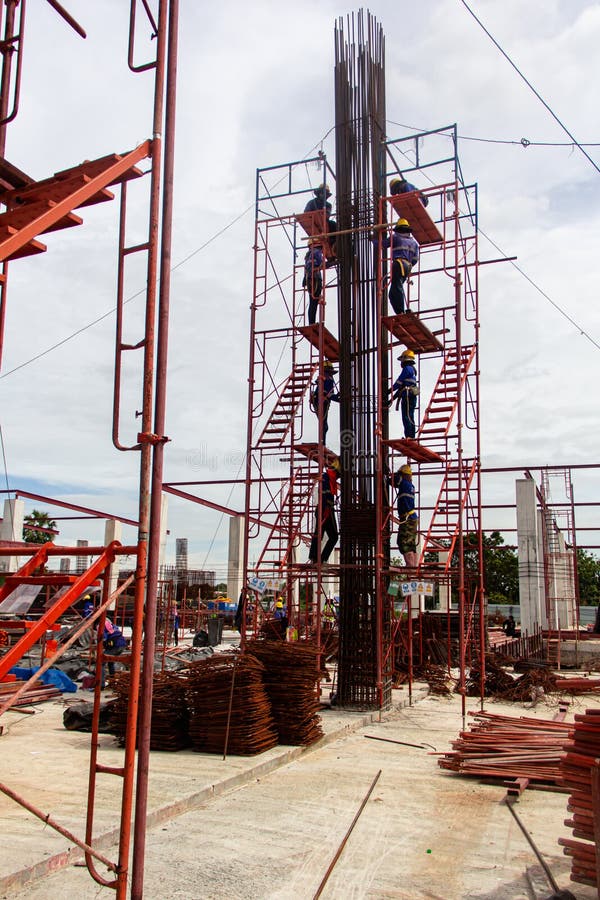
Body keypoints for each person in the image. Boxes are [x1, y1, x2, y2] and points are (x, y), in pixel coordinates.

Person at [380, 218, 419, 314]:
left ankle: (401, 311)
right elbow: (415, 260)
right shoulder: (414, 243)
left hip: (398, 264)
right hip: (408, 267)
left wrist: (373, 240)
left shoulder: (396, 238)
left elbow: (383, 244)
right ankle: (399, 312)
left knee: (397, 287)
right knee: (392, 293)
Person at [308, 457, 341, 565]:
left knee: (319, 533)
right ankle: (321, 559)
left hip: (323, 509)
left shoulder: (327, 477)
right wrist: (327, 508)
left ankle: (315, 558)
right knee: (333, 536)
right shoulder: (327, 478)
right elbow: (325, 494)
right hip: (326, 509)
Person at [391, 464, 419, 568]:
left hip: (407, 518)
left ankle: (410, 568)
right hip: (412, 517)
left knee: (404, 543)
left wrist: (394, 474)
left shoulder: (403, 483)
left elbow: (393, 480)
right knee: (411, 544)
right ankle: (413, 568)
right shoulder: (410, 485)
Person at [391, 349, 418, 439]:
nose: (401, 363)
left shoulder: (407, 369)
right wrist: (391, 399)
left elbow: (399, 383)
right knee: (410, 416)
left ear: (405, 359)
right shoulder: (412, 370)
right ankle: (411, 436)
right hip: (409, 395)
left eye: (402, 360)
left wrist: (390, 390)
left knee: (407, 416)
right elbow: (401, 388)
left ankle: (409, 436)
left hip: (408, 395)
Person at [310, 361, 340, 443]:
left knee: (324, 425)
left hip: (321, 402)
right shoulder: (326, 379)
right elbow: (327, 394)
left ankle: (322, 443)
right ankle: (322, 443)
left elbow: (328, 393)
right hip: (321, 403)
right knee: (324, 425)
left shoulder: (323, 379)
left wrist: (336, 396)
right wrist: (338, 399)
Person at [304, 183, 337, 255]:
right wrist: (315, 215)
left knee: (334, 225)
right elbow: (306, 213)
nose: (323, 195)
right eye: (322, 193)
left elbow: (327, 215)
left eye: (325, 194)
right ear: (319, 193)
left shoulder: (328, 205)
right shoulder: (312, 202)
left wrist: (320, 214)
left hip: (324, 223)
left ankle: (333, 244)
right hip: (313, 221)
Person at [302, 242, 324, 324]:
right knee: (314, 302)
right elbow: (322, 264)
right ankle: (312, 323)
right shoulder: (317, 252)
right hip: (316, 278)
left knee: (312, 302)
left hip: (309, 279)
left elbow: (306, 268)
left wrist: (304, 279)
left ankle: (311, 322)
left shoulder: (308, 255)